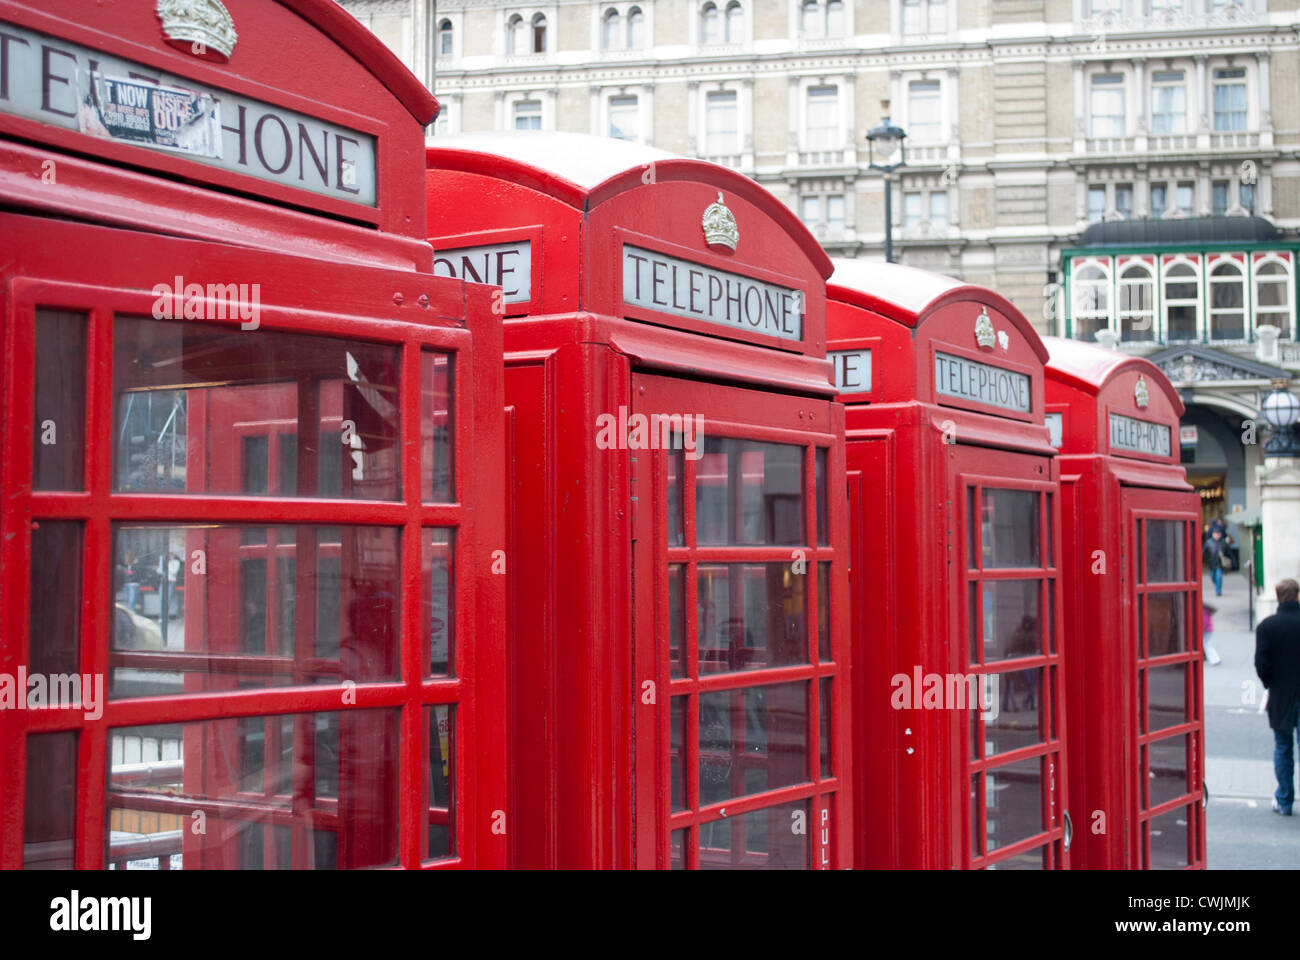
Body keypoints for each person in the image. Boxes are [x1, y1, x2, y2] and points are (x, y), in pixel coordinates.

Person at [1254, 578, 1300, 816]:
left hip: (1281, 696)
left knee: (1283, 748)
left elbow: (1261, 664)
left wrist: (1271, 683)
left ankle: (1284, 800)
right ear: (1297, 596)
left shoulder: (1267, 627)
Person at [1204, 530, 1230, 597]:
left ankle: (1218, 591)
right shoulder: (1208, 542)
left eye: (1218, 534)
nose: (1217, 536)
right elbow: (1204, 552)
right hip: (1211, 563)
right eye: (1216, 534)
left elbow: (1229, 553)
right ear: (1213, 534)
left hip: (1219, 563)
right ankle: (1218, 585)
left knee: (1219, 577)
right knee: (1212, 577)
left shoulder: (1223, 543)